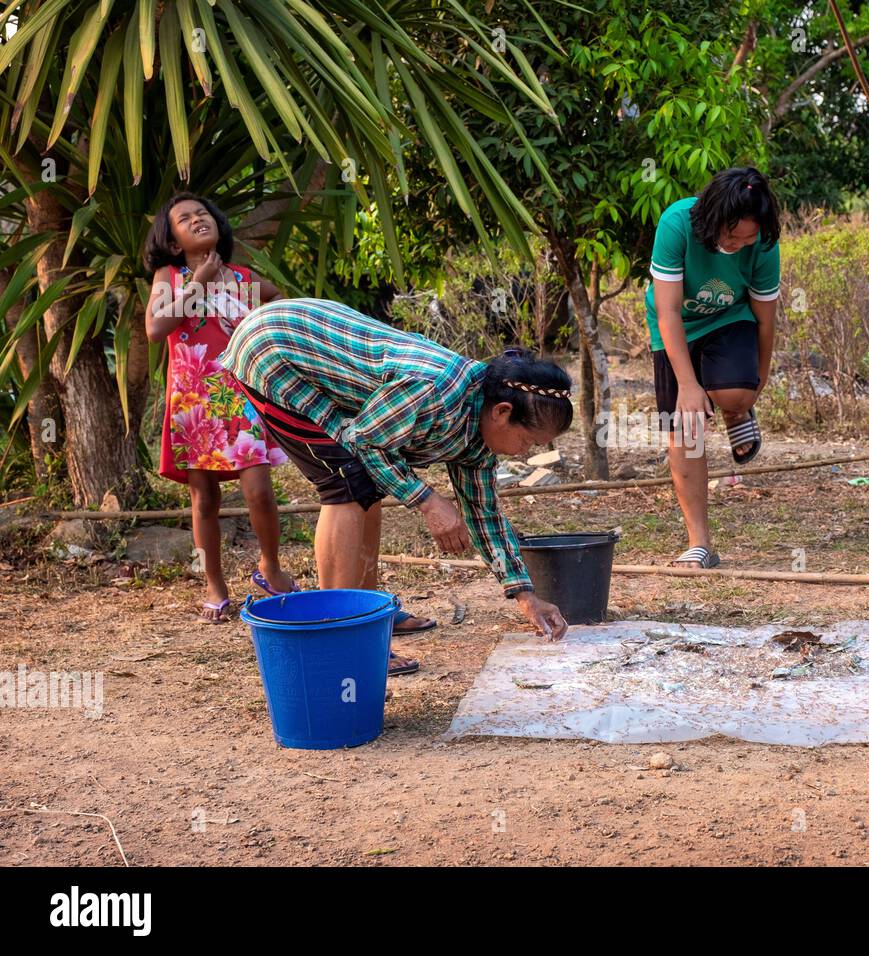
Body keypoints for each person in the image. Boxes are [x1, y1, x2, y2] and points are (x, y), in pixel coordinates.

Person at [222, 298, 571, 674]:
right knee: (347, 481)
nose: (524, 453)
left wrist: (526, 596)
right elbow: (368, 442)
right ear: (503, 412)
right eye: (529, 442)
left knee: (367, 479)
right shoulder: (434, 390)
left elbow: (484, 515)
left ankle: (368, 615)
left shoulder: (479, 434)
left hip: (304, 353)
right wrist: (428, 500)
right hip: (276, 349)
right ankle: (339, 638)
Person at [144, 193, 296, 623]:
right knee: (204, 498)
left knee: (259, 490)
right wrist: (198, 283)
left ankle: (270, 566)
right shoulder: (168, 276)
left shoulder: (241, 279)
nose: (196, 220)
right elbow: (156, 328)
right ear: (173, 242)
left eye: (202, 214)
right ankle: (214, 583)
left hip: (241, 392)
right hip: (194, 399)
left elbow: (279, 299)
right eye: (184, 219)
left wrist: (269, 341)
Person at [646, 167, 782, 569]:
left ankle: (736, 411)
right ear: (712, 220)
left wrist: (758, 382)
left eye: (748, 237)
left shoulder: (764, 245)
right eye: (732, 236)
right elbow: (668, 310)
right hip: (674, 326)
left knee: (737, 391)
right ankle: (699, 543)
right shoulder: (676, 224)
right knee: (685, 430)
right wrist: (687, 384)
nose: (741, 244)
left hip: (730, 317)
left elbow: (766, 320)